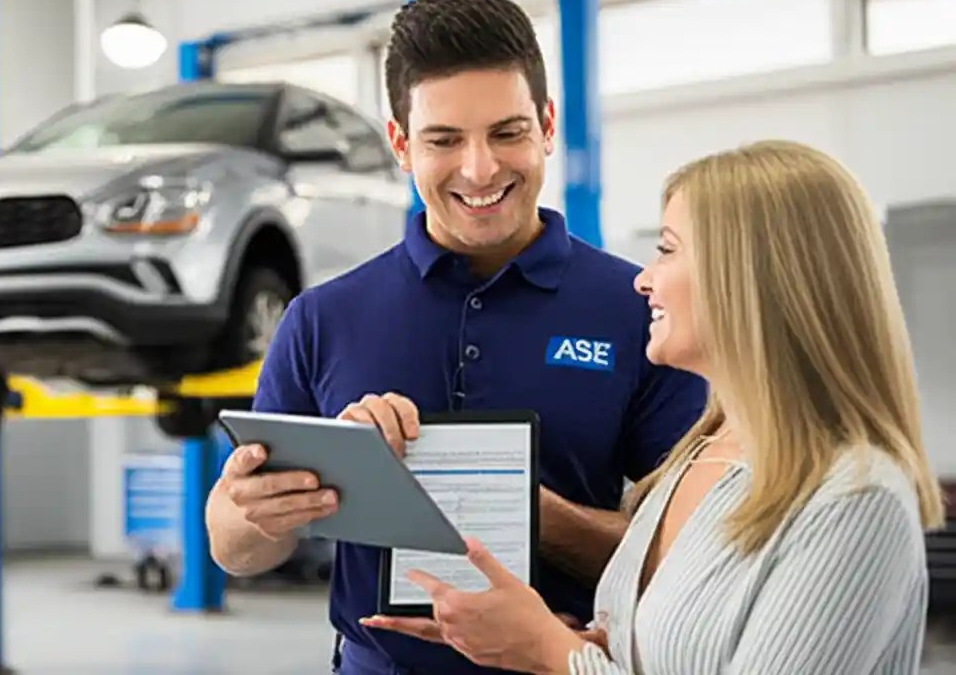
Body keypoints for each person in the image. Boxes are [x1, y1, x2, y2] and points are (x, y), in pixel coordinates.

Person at [204, 0, 708, 674]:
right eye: (444, 140)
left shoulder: (635, 309)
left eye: (508, 133)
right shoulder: (322, 318)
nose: (480, 169)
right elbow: (238, 548)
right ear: (401, 145)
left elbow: (687, 562)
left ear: (548, 126)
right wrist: (251, 510)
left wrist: (521, 510)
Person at [359, 140, 947, 674]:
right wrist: (553, 641)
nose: (643, 280)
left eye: (667, 250)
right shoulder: (701, 454)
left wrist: (552, 652)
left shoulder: (854, 498)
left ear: (749, 278)